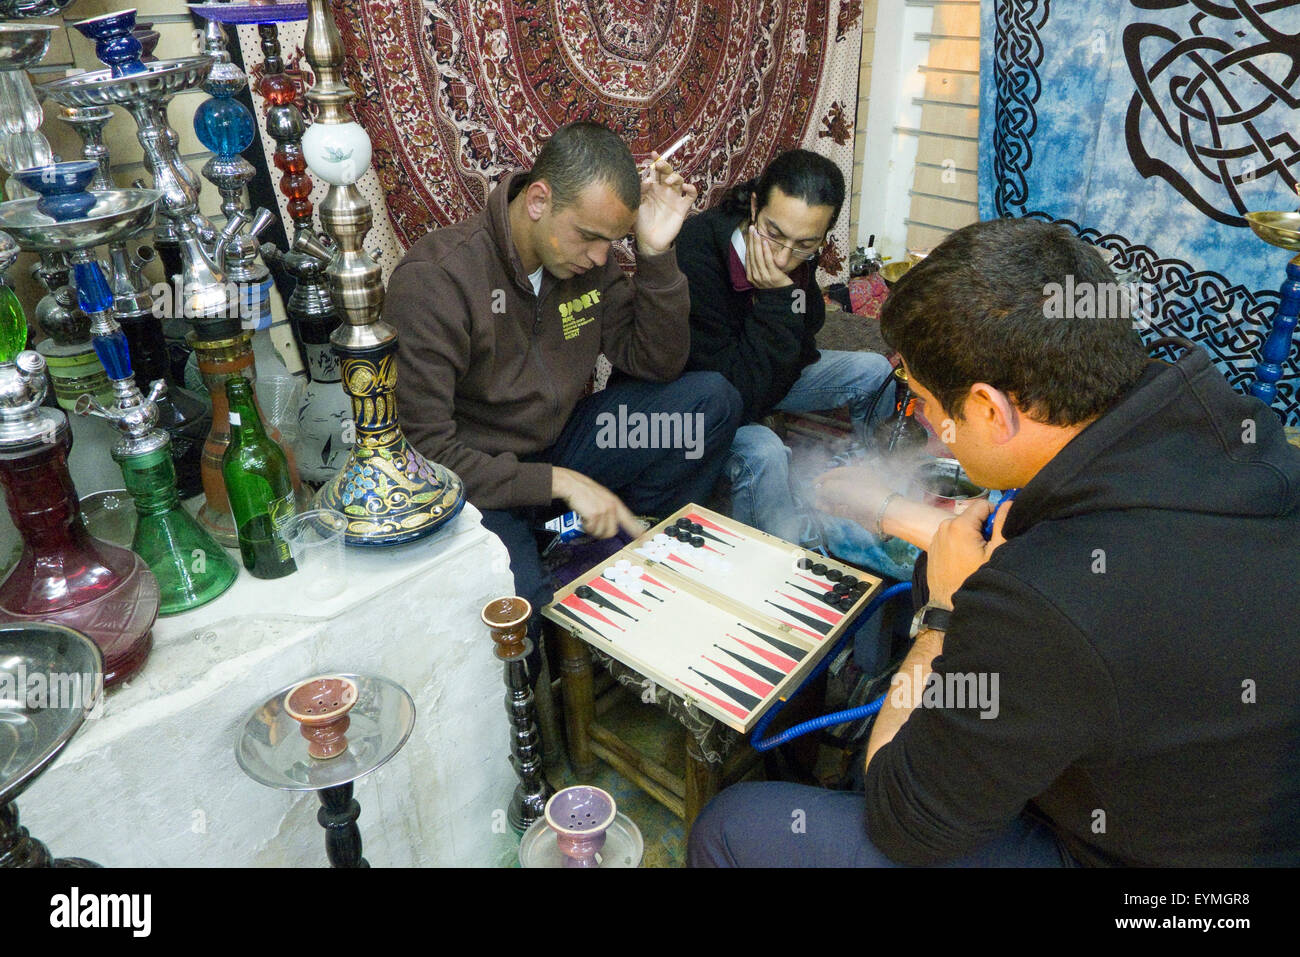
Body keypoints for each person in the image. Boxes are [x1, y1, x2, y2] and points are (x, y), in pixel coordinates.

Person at [688, 216, 1300, 867]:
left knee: (734, 825)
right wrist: (896, 512)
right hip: (1236, 807)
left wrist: (941, 613)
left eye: (920, 399)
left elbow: (904, 819)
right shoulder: (1222, 420)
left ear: (988, 408)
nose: (919, 416)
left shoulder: (1046, 605)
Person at [386, 122, 743, 635]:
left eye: (612, 242)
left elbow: (656, 362)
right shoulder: (437, 280)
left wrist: (657, 256)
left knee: (711, 403)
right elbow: (423, 453)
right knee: (522, 607)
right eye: (591, 237)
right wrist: (561, 483)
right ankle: (554, 546)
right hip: (480, 483)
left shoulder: (586, 266)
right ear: (538, 200)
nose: (601, 257)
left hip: (562, 447)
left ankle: (589, 535)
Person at [675, 149, 895, 552]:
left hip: (770, 373)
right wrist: (778, 298)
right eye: (773, 234)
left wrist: (787, 291)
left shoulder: (794, 251)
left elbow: (807, 327)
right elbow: (735, 392)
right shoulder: (697, 250)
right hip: (705, 401)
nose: (781, 255)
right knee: (765, 452)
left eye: (805, 244)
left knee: (874, 372)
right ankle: (776, 561)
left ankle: (877, 489)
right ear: (756, 204)